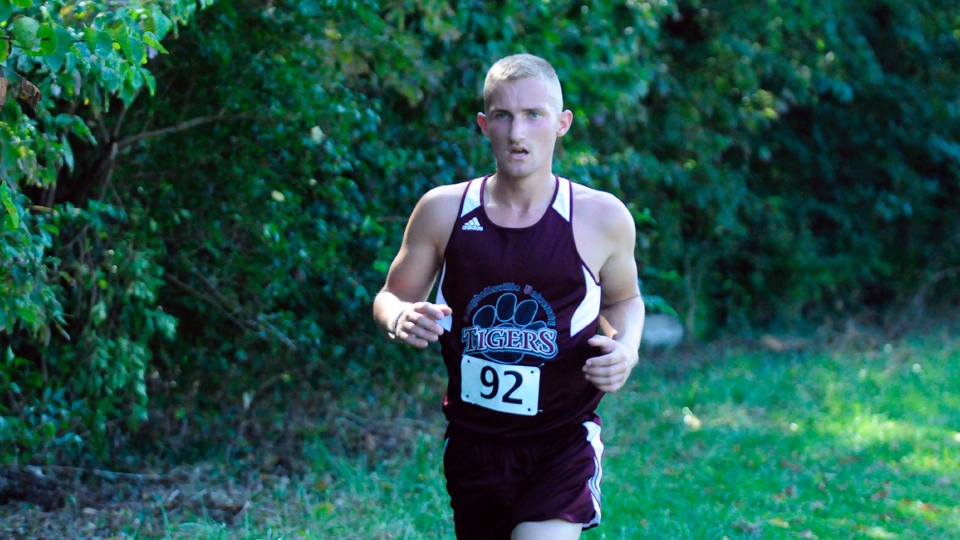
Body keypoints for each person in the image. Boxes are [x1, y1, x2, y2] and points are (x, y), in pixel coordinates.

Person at [372, 53, 644, 540]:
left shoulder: (600, 217)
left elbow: (625, 301)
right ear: (484, 125)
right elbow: (392, 295)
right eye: (503, 115)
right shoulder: (442, 210)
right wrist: (399, 317)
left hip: (562, 438)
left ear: (562, 123)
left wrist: (626, 348)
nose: (518, 132)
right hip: (474, 443)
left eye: (534, 115)